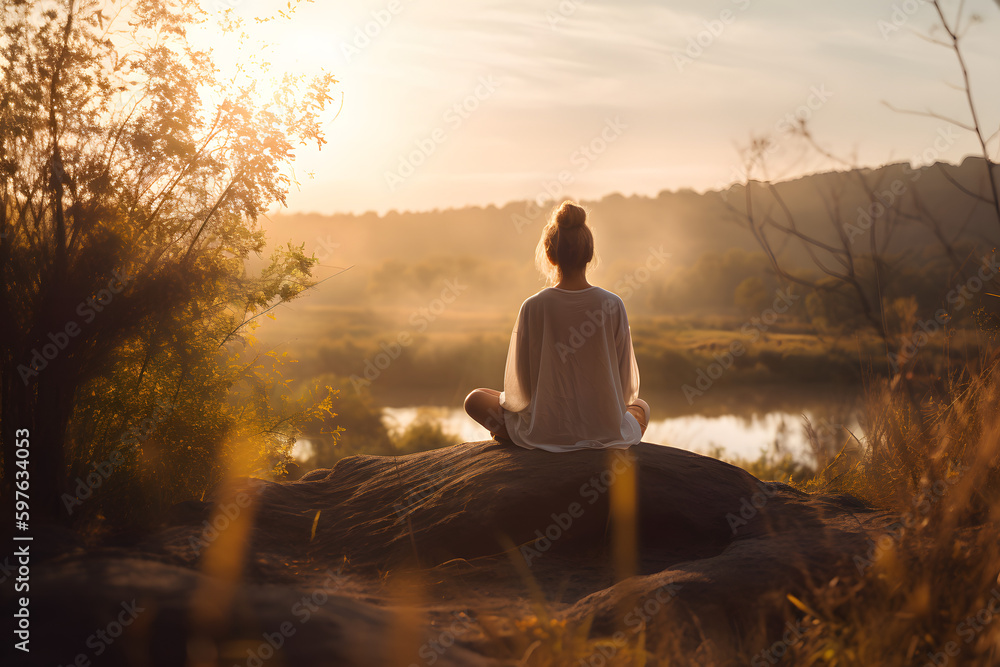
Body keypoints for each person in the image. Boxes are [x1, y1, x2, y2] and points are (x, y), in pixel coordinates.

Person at [464, 201, 650, 451]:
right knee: (642, 406)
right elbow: (627, 391)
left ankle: (519, 438)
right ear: (589, 253)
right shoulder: (613, 304)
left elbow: (520, 393)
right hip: (604, 430)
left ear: (550, 255)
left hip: (545, 430)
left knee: (475, 399)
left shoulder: (533, 306)